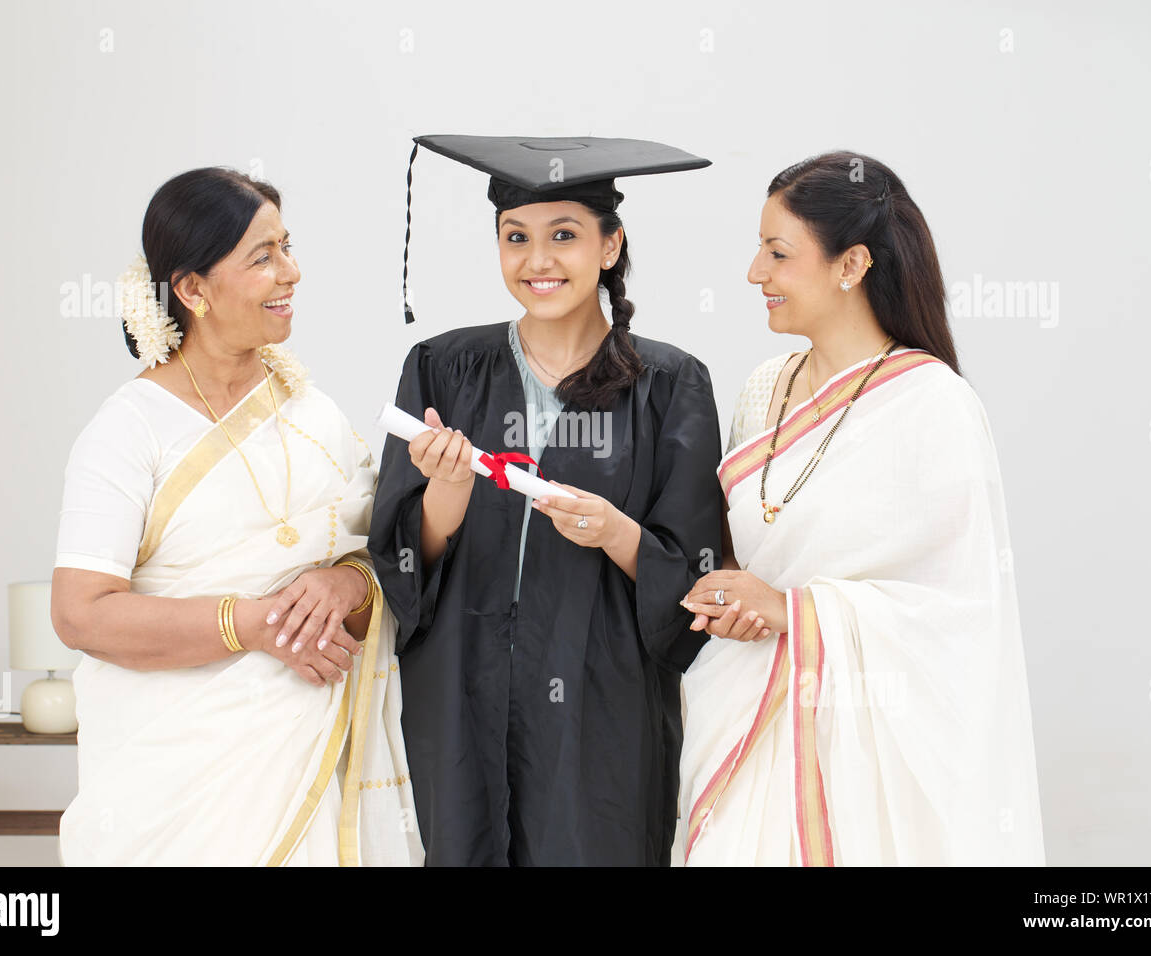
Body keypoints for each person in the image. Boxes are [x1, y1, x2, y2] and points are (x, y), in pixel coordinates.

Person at [677, 151, 1045, 866]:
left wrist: (795, 612)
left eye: (778, 253)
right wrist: (731, 589)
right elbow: (745, 546)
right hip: (744, 714)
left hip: (866, 747)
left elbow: (963, 617)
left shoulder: (934, 406)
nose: (756, 273)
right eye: (759, 249)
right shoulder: (764, 389)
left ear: (851, 266)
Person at [369, 135, 724, 865]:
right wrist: (448, 490)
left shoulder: (669, 384)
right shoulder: (442, 368)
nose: (537, 261)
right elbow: (405, 564)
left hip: (604, 704)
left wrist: (620, 533)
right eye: (515, 238)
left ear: (610, 244)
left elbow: (698, 581)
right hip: (464, 693)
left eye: (564, 235)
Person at [51, 167, 421, 866]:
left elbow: (384, 547)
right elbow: (81, 614)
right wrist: (254, 625)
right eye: (264, 257)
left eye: (287, 247)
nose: (293, 272)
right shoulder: (129, 429)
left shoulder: (316, 415)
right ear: (192, 290)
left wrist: (347, 585)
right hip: (179, 786)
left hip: (312, 749)